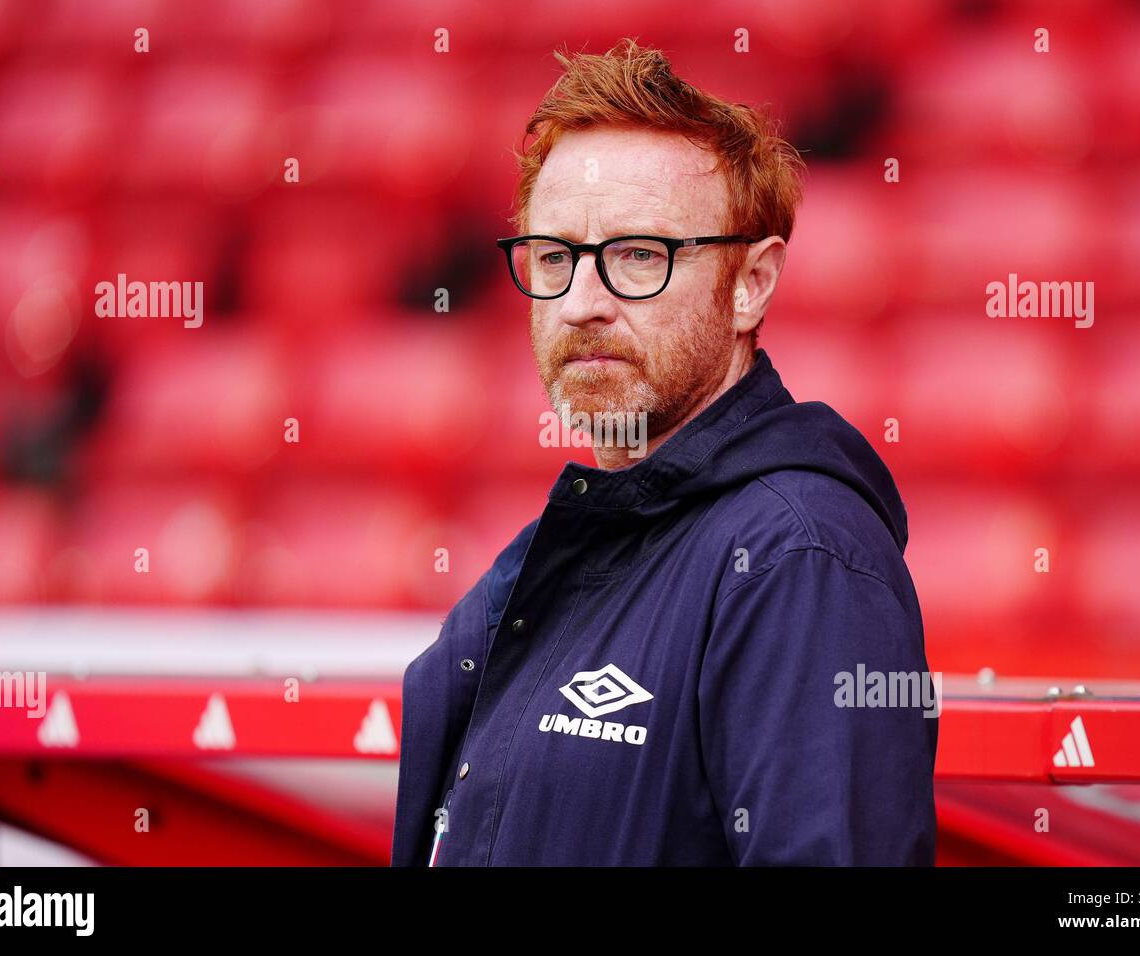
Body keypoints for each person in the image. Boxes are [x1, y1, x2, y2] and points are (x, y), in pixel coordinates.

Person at [391, 37, 937, 866]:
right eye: (555, 257)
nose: (580, 303)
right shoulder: (564, 547)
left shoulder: (801, 560)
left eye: (638, 256)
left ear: (751, 284)